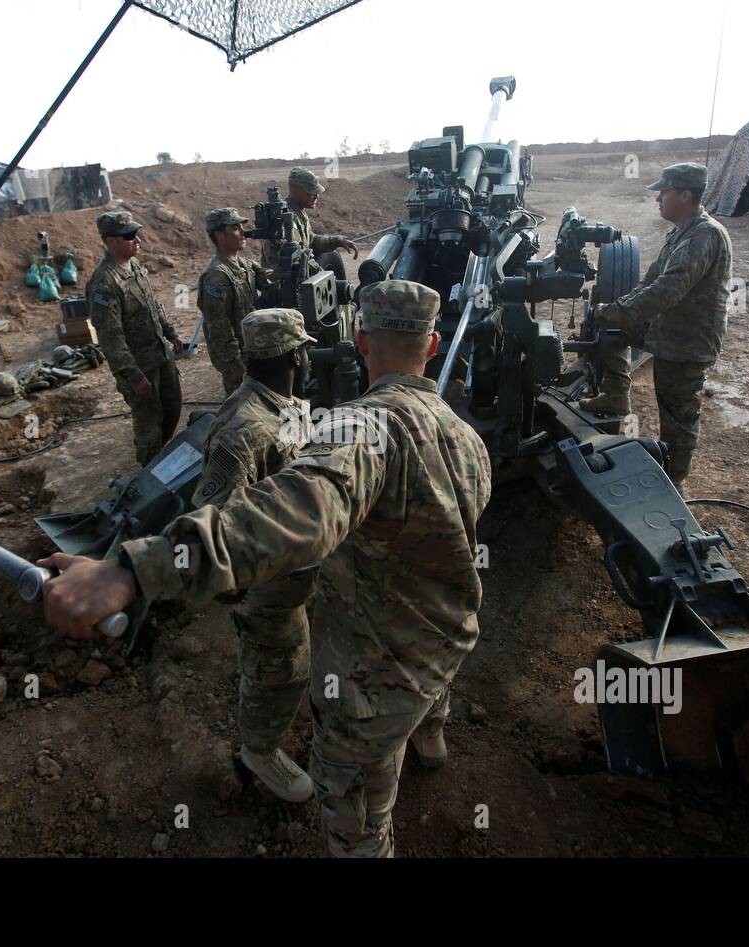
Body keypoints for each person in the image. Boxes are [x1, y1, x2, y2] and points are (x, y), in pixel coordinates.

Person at [38, 279, 493, 857]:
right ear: (432, 346)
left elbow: (302, 509)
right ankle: (431, 740)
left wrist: (130, 571)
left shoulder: (357, 428)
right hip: (448, 637)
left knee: (357, 819)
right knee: (414, 702)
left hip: (377, 676)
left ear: (359, 341)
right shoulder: (464, 433)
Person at [189, 308, 319, 802]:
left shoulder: (281, 405)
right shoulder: (246, 428)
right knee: (277, 671)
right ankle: (259, 751)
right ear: (294, 356)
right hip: (268, 587)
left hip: (293, 568)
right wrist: (240, 594)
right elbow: (212, 519)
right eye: (303, 348)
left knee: (293, 662)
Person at [578, 162, 733, 491]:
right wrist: (612, 312)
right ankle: (617, 397)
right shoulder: (680, 232)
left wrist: (616, 311)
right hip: (665, 329)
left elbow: (667, 291)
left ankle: (675, 481)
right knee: (612, 329)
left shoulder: (704, 236)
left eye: (664, 192)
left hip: (687, 342)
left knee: (678, 412)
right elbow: (650, 282)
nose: (658, 198)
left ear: (685, 195)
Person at [85, 210, 185, 466]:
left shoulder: (136, 267)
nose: (137, 240)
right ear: (110, 241)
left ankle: (162, 461)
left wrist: (171, 334)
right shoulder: (104, 283)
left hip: (160, 354)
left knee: (173, 407)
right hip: (140, 366)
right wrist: (133, 374)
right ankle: (150, 472)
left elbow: (153, 306)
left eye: (136, 233)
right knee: (149, 424)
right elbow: (110, 338)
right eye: (129, 236)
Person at [196, 207, 271, 395]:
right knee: (244, 414)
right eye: (235, 227)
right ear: (219, 235)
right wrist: (234, 365)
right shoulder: (216, 276)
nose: (243, 232)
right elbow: (218, 329)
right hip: (241, 360)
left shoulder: (243, 264)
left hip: (255, 349)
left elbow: (269, 279)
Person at [259, 167, 357, 271]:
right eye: (311, 193)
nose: (317, 197)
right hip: (283, 281)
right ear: (295, 191)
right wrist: (321, 273)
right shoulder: (286, 219)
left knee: (331, 254)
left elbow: (312, 241)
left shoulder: (298, 212)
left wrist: (338, 241)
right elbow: (296, 259)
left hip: (297, 273)